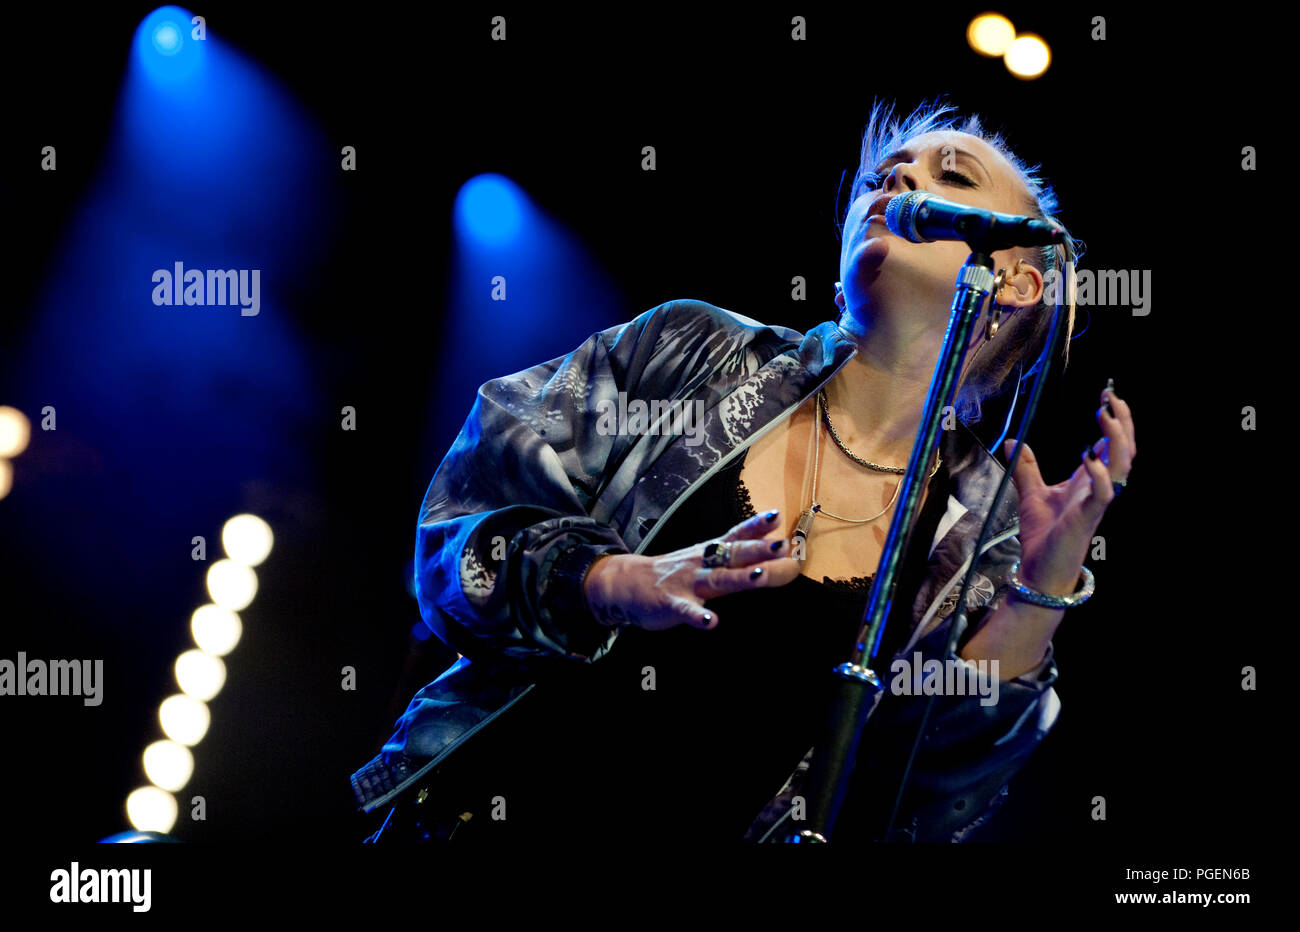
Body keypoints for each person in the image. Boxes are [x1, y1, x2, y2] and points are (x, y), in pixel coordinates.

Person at [350, 99, 1137, 844]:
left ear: (1018, 281)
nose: (897, 181)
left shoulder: (976, 532)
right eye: (883, 175)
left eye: (951, 178)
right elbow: (465, 516)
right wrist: (612, 581)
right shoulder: (694, 349)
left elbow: (923, 802)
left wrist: (1040, 590)